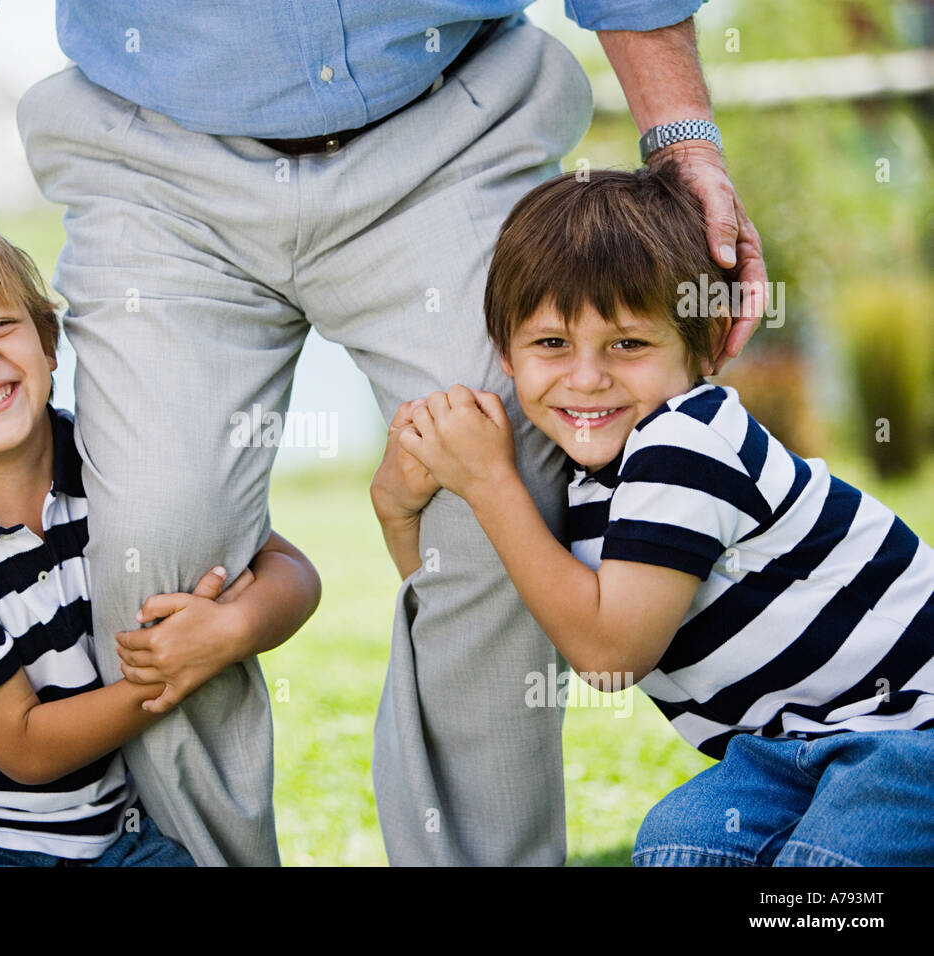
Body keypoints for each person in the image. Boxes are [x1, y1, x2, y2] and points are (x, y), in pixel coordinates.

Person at [0, 0, 767, 866]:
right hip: (153, 160)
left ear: (45, 342)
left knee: (492, 490)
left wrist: (680, 133)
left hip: (448, 123)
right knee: (157, 531)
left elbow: (293, 577)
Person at [381, 160, 934, 866]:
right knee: (680, 846)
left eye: (628, 343)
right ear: (506, 356)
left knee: (828, 873)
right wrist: (396, 506)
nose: (586, 377)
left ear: (704, 347)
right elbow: (473, 606)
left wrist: (489, 482)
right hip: (780, 753)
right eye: (552, 343)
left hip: (910, 727)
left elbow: (611, 658)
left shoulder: (686, 441)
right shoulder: (588, 478)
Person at [0, 210, 321, 866]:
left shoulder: (112, 459)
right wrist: (170, 673)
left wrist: (233, 630)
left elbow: (292, 571)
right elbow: (25, 748)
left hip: (115, 829)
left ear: (49, 343)